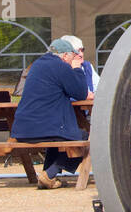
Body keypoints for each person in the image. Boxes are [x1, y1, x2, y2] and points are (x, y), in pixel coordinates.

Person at [10, 37, 94, 189]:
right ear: (64, 56)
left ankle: (47, 175)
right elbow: (81, 93)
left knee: (61, 136)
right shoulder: (61, 66)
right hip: (44, 128)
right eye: (72, 57)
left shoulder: (37, 65)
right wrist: (76, 69)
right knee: (85, 137)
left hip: (23, 129)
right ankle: (49, 174)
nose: (73, 59)